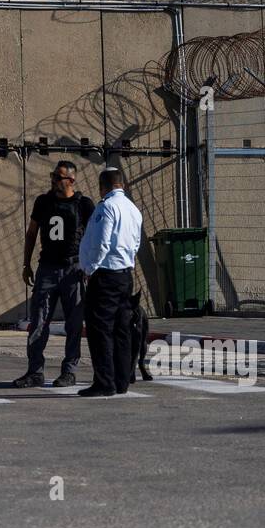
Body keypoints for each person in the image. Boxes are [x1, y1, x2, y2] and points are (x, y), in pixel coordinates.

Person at [13, 161, 97, 388]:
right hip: (47, 268)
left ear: (71, 180)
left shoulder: (84, 204)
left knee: (73, 324)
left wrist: (90, 267)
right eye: (53, 176)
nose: (53, 180)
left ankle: (69, 371)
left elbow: (94, 238)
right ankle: (35, 371)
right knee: (39, 321)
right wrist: (26, 264)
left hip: (74, 269)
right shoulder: (43, 202)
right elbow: (31, 233)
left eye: (58, 177)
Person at [77, 167, 144, 397]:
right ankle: (121, 380)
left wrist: (89, 268)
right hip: (125, 274)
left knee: (100, 330)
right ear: (122, 184)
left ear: (102, 186)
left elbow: (101, 242)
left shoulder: (106, 207)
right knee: (122, 329)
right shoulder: (133, 209)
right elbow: (135, 243)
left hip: (105, 275)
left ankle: (104, 382)